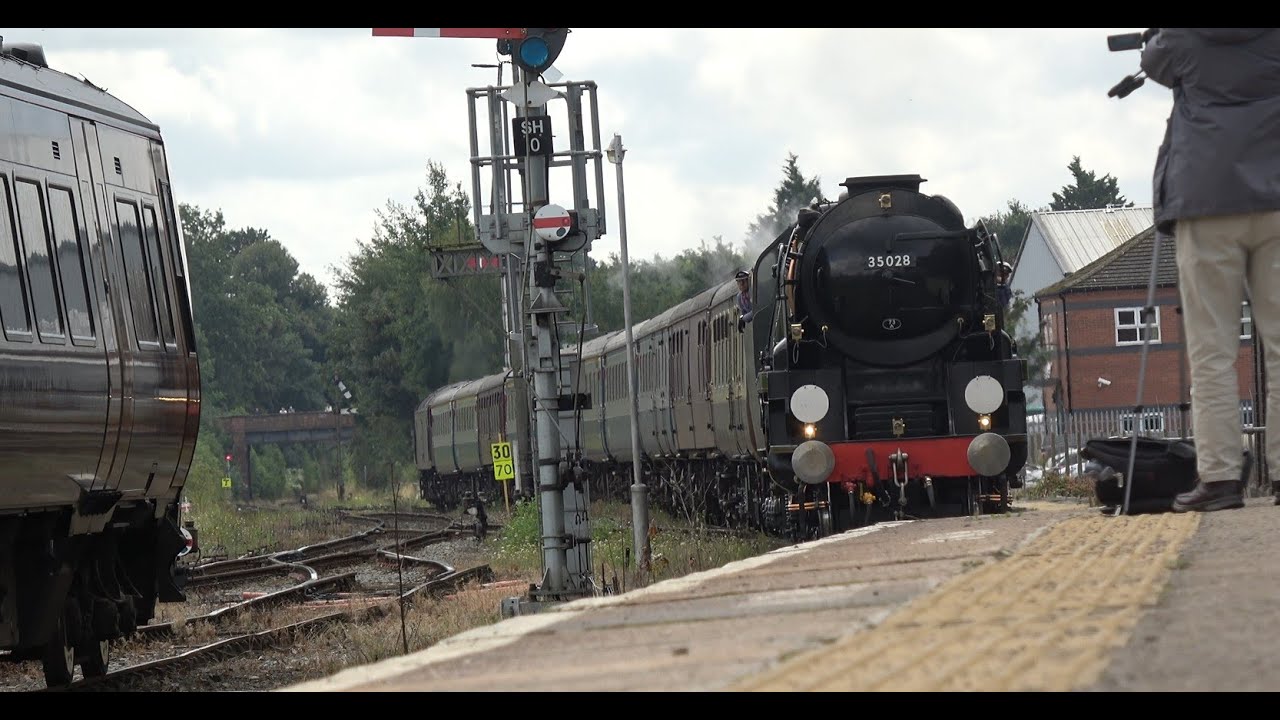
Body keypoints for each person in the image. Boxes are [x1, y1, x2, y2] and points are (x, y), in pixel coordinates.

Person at [1139, 28, 1280, 511]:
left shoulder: (1181, 38)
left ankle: (1220, 479)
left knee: (1213, 349)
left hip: (1206, 200)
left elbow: (1153, 60)